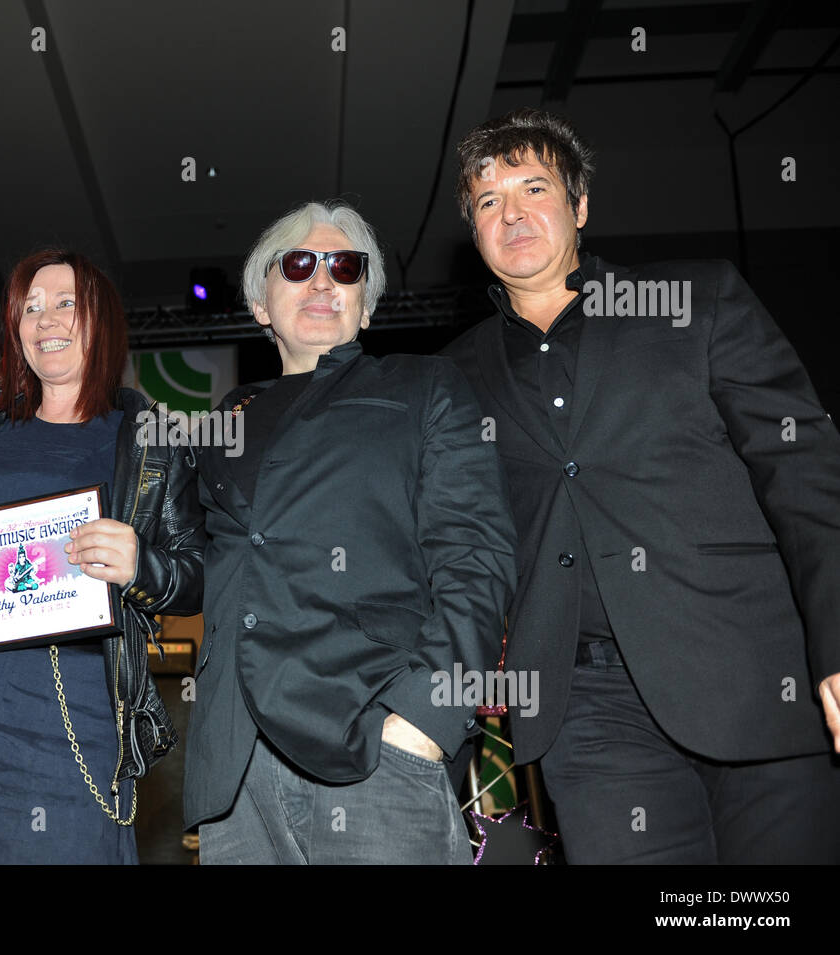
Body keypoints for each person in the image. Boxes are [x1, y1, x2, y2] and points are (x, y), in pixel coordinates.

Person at [441, 107, 840, 863]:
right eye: (489, 200)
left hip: (754, 677)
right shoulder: (453, 378)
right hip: (587, 713)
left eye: (534, 187)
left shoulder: (696, 301)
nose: (512, 213)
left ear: (581, 205)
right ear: (473, 229)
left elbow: (807, 475)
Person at [183, 201, 517, 864]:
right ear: (259, 304)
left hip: (374, 746)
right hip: (234, 774)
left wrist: (424, 716)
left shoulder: (424, 386)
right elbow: (197, 570)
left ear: (366, 306)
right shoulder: (225, 420)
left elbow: (476, 555)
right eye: (298, 263)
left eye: (345, 266)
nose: (323, 279)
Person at [0, 250, 204, 864]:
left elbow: (194, 577)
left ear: (103, 322)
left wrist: (141, 566)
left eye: (67, 303)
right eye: (31, 307)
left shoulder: (151, 435)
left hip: (68, 704)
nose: (46, 318)